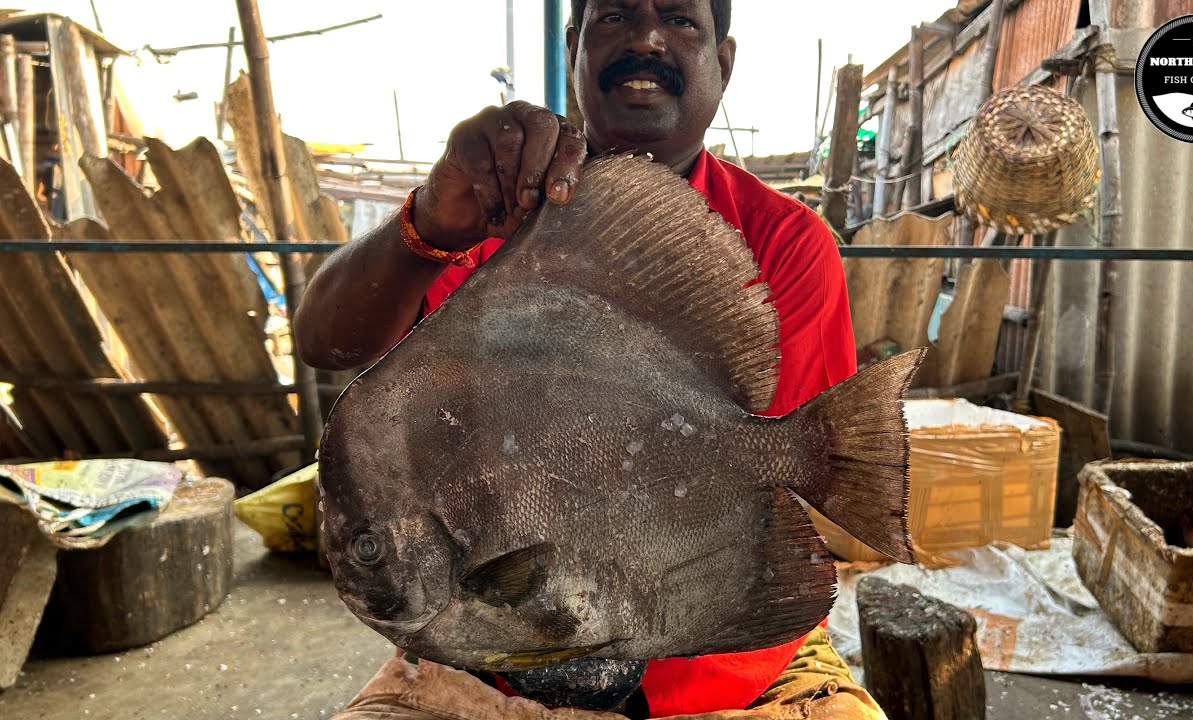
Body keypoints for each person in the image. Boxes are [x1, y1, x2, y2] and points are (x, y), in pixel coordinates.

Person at [297, 1, 885, 718]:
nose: (645, 39)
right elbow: (324, 343)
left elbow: (803, 487)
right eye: (613, 17)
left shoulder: (787, 240)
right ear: (574, 46)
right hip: (490, 663)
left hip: (713, 671)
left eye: (679, 19)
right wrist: (427, 223)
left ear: (721, 63)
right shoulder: (492, 205)